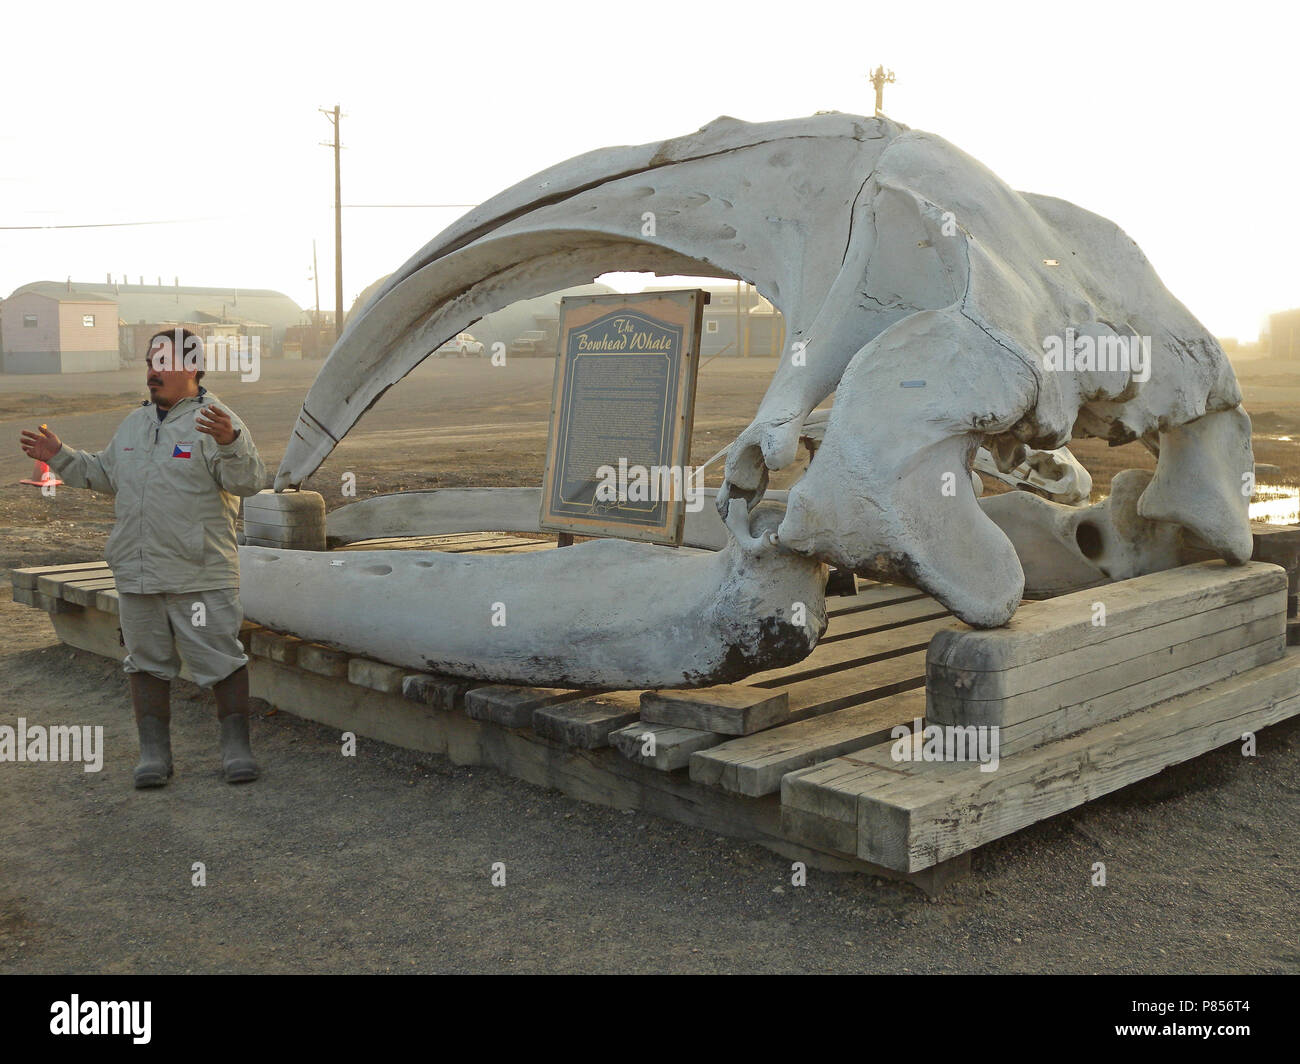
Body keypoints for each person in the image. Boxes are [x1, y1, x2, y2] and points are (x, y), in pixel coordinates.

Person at [20, 328, 268, 787]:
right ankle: (154, 754)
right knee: (146, 662)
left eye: (164, 363)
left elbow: (249, 482)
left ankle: (236, 749)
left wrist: (233, 442)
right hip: (137, 573)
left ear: (192, 367)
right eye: (150, 363)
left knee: (222, 660)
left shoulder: (216, 421)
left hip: (200, 573)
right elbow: (106, 474)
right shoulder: (135, 424)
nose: (153, 373)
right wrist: (61, 457)